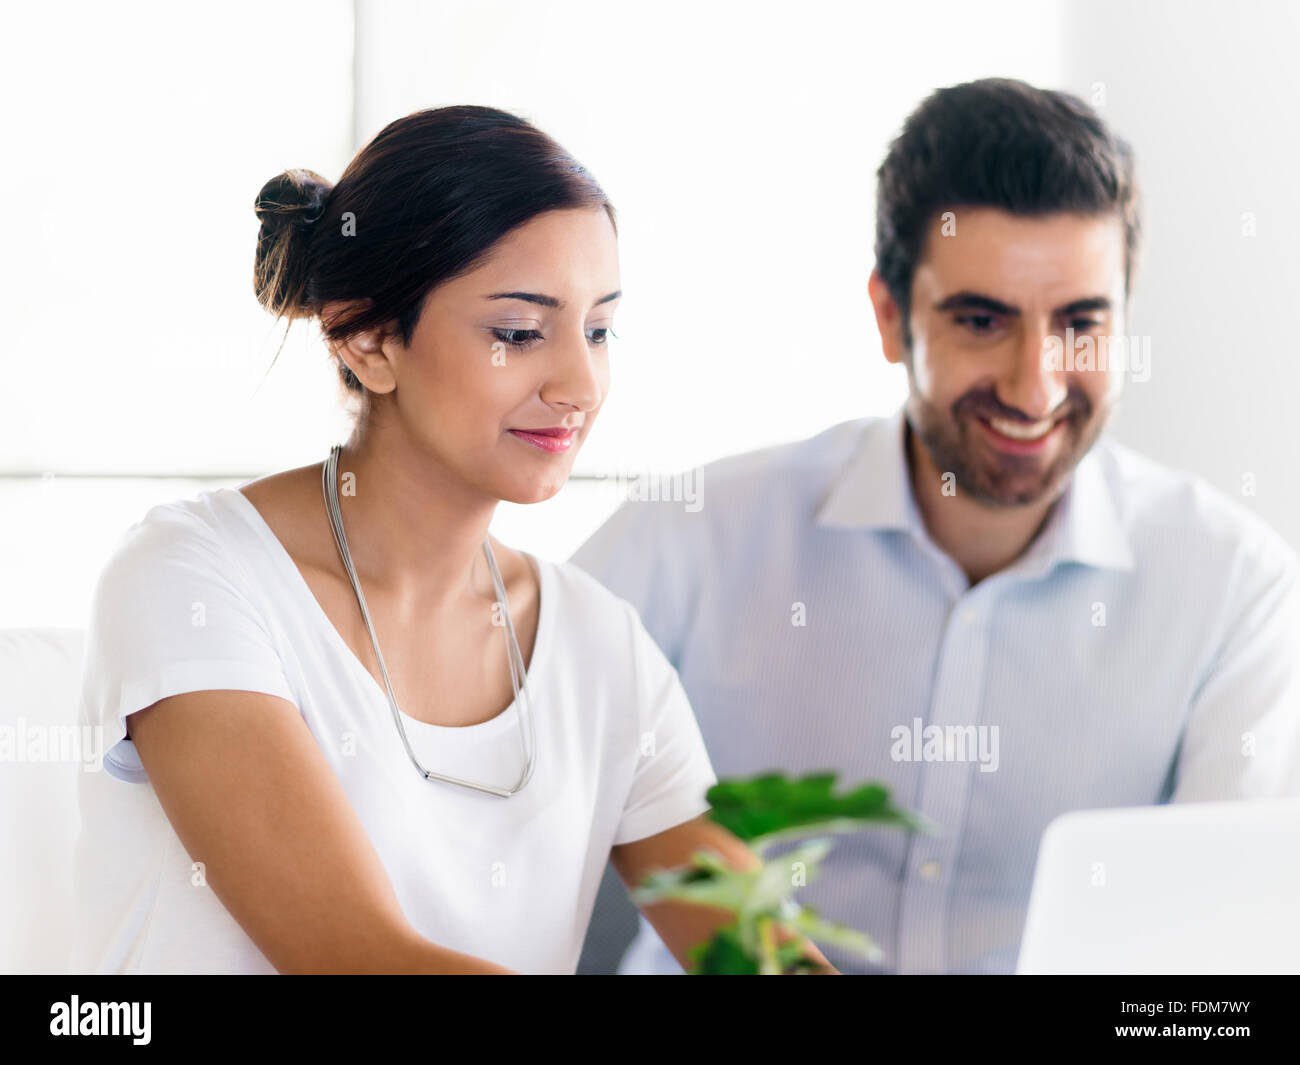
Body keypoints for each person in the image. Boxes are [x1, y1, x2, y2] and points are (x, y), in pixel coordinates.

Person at [71, 105, 832, 975]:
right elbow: (358, 958)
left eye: (598, 330)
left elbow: (759, 957)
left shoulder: (599, 646)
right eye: (519, 333)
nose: (581, 384)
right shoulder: (193, 579)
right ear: (366, 337)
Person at [571, 78, 1300, 975]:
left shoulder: (1235, 590)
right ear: (891, 317)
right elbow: (493, 778)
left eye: (1080, 322)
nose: (1036, 386)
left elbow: (1224, 957)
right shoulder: (691, 539)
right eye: (983, 321)